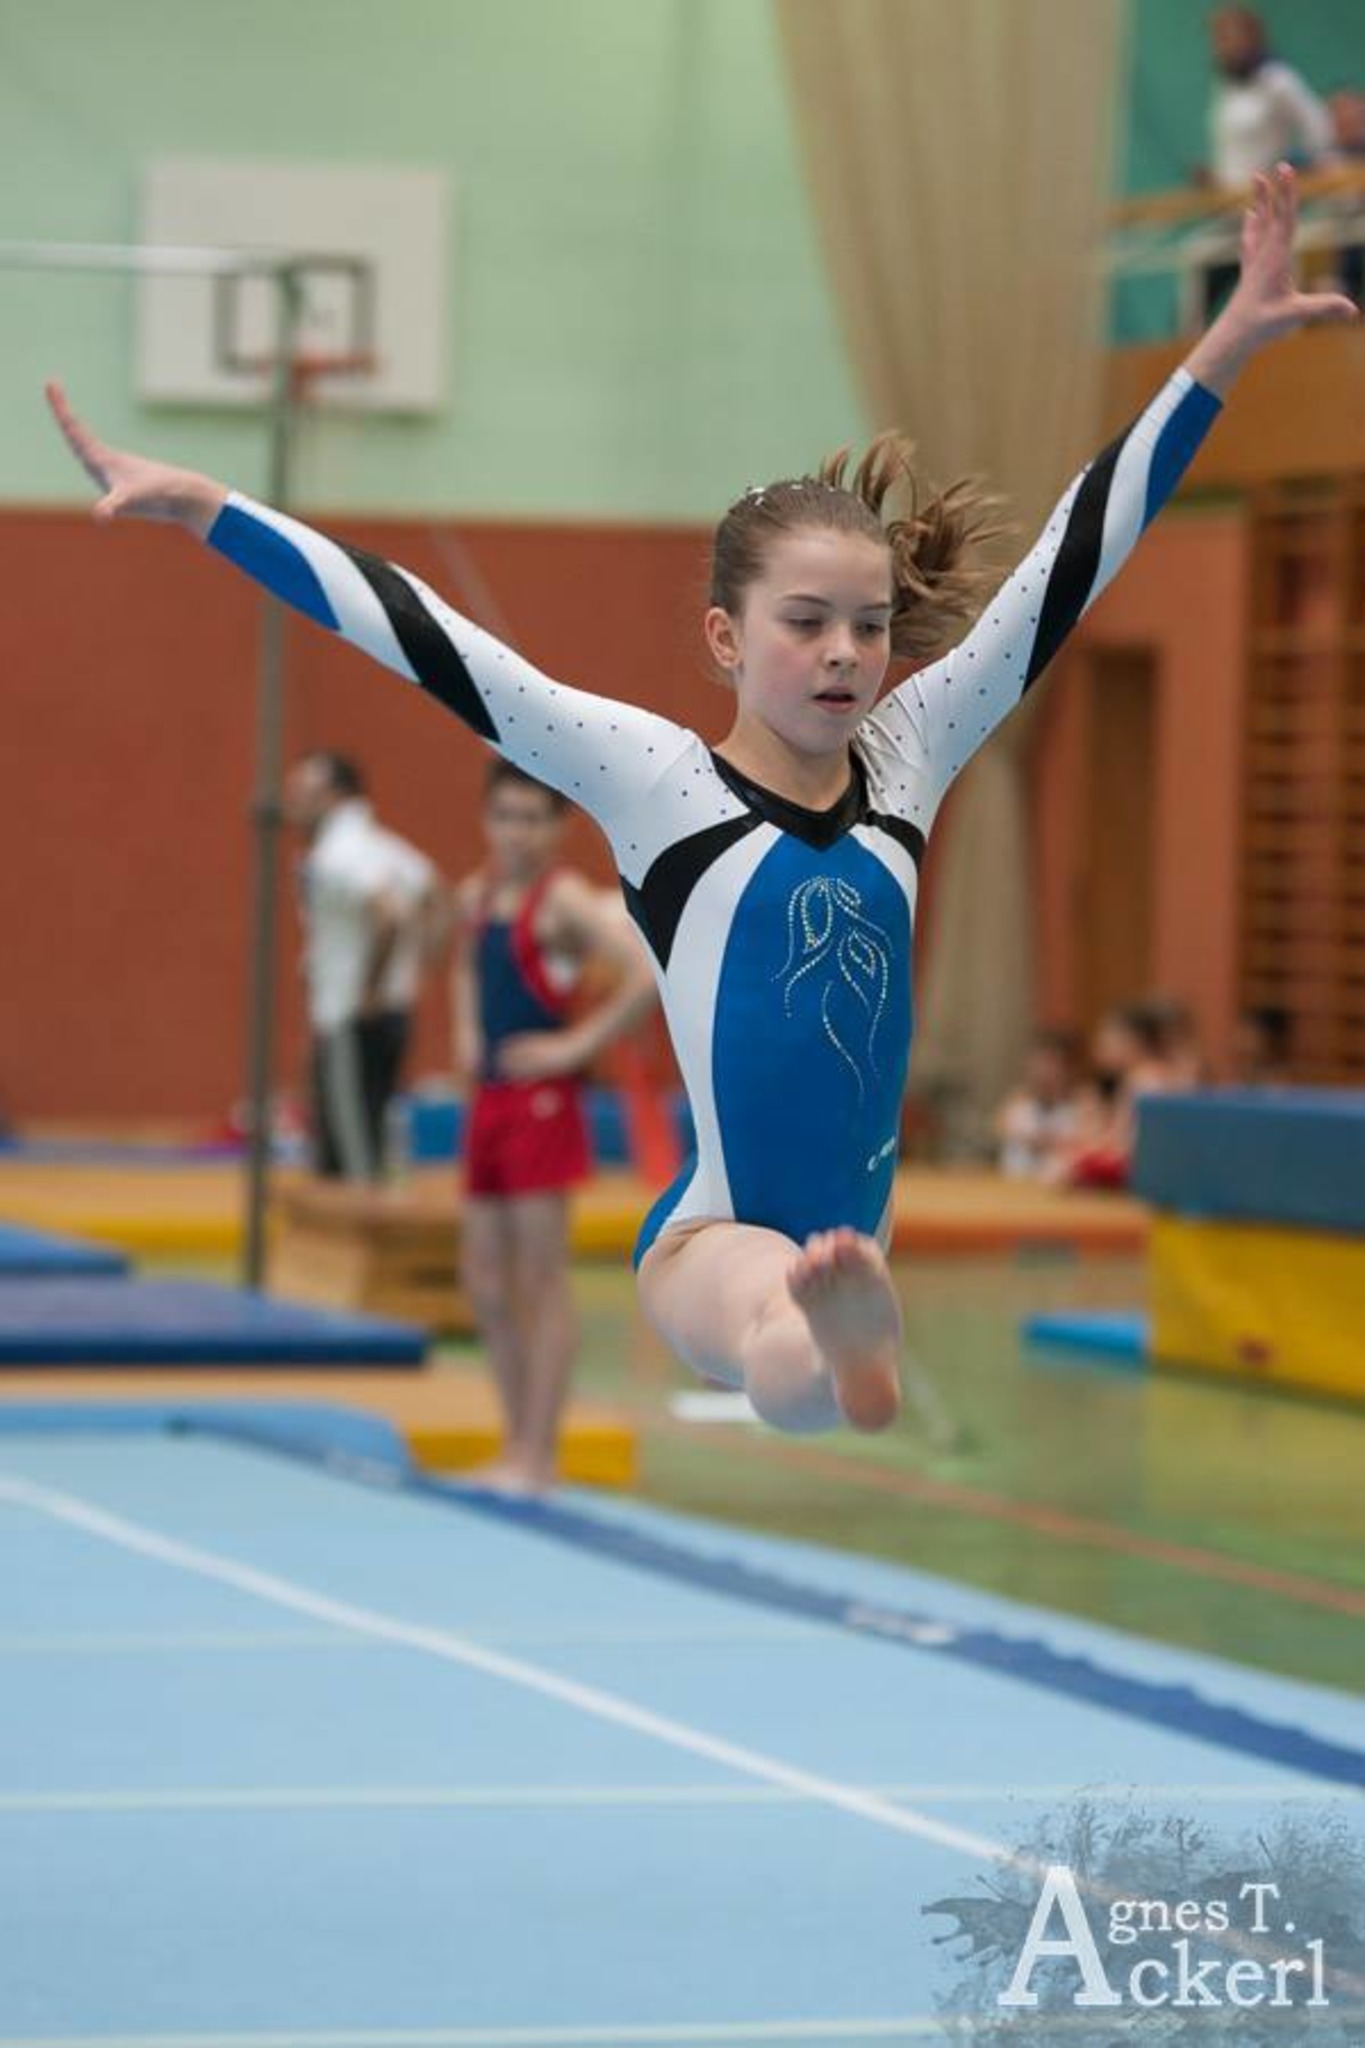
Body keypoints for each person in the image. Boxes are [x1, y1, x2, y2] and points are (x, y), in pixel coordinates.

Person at [45, 165, 1355, 1436]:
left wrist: (1223, 352)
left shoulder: (913, 753)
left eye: (870, 625)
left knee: (802, 1328)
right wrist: (213, 507)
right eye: (807, 624)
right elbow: (425, 633)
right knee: (769, 1331)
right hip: (713, 1225)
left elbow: (1077, 552)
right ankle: (845, 1362)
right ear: (726, 638)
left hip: (855, 1229)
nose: (847, 653)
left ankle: (843, 1350)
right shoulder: (660, 783)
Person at [452, 757, 657, 1494]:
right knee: (482, 1279)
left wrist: (574, 1047)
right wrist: (465, 1035)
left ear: (558, 828)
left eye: (533, 820)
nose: (517, 834)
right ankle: (514, 1442)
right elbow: (466, 970)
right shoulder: (474, 895)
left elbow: (644, 974)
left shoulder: (563, 900)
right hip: (490, 1101)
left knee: (540, 1281)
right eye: (505, 817)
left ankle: (539, 1458)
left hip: (543, 1105)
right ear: (486, 820)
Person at [284, 749, 445, 1182]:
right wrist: (413, 974)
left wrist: (370, 987)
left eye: (303, 792)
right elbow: (431, 892)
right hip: (381, 1013)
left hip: (353, 1016)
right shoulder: (381, 845)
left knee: (352, 1155)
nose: (292, 802)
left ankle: (359, 1234)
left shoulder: (339, 854)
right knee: (364, 1138)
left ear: (334, 796)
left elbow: (389, 913)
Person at [994, 1029, 1082, 1181]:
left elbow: (1081, 1143)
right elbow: (1000, 1129)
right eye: (1039, 1062)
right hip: (1015, 1180)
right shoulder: (1017, 1100)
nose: (1045, 1070)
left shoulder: (1078, 1102)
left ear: (1066, 1068)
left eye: (1052, 1063)